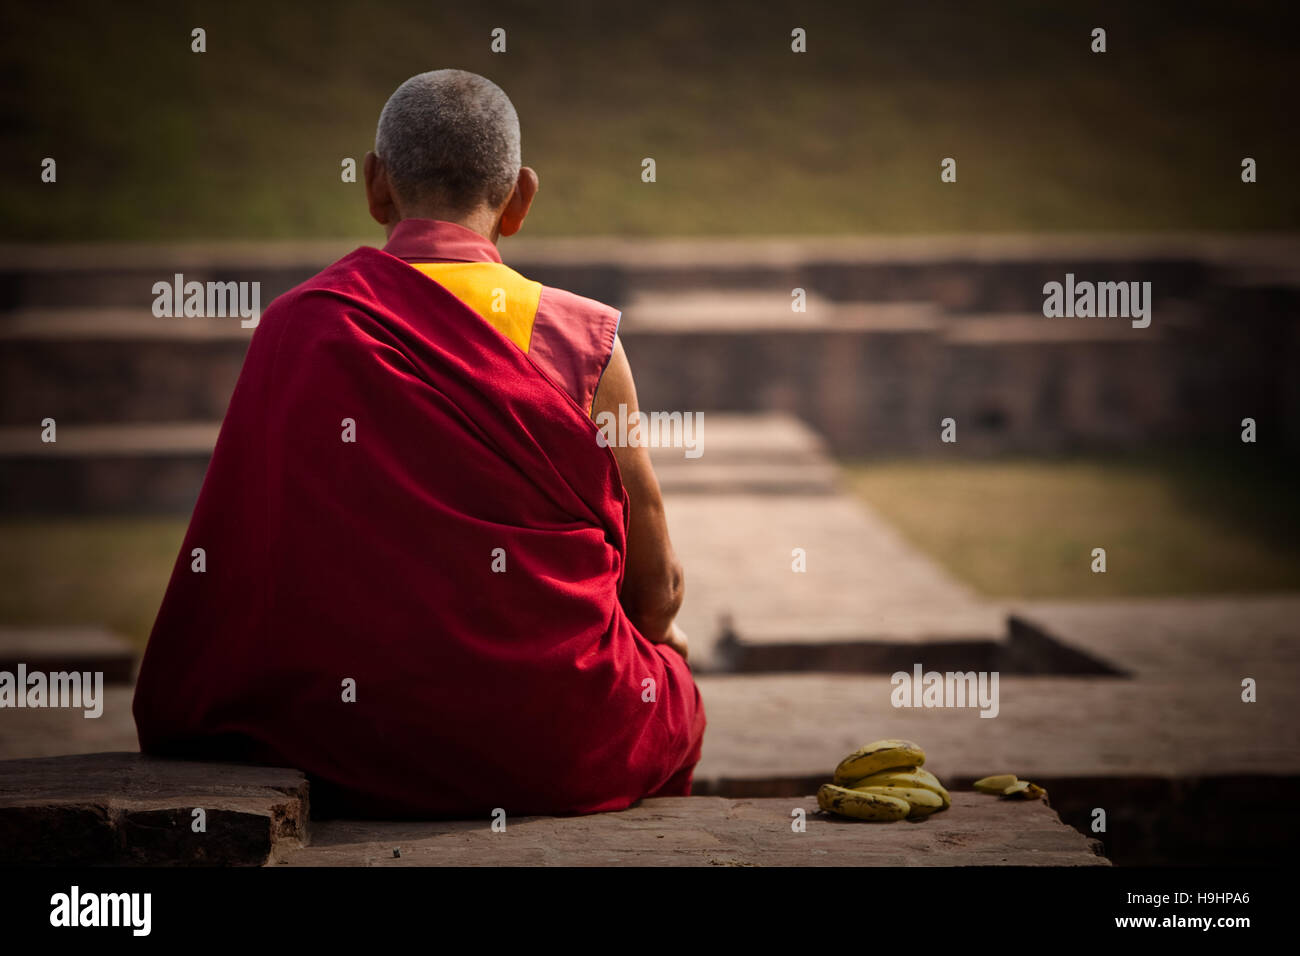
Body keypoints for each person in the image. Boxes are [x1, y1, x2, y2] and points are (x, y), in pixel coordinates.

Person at [132, 69, 705, 817]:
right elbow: (655, 595)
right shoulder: (582, 339)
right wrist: (663, 645)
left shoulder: (302, 325)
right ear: (521, 198)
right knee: (673, 688)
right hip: (551, 742)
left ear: (375, 187)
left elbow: (242, 563)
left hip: (343, 734)